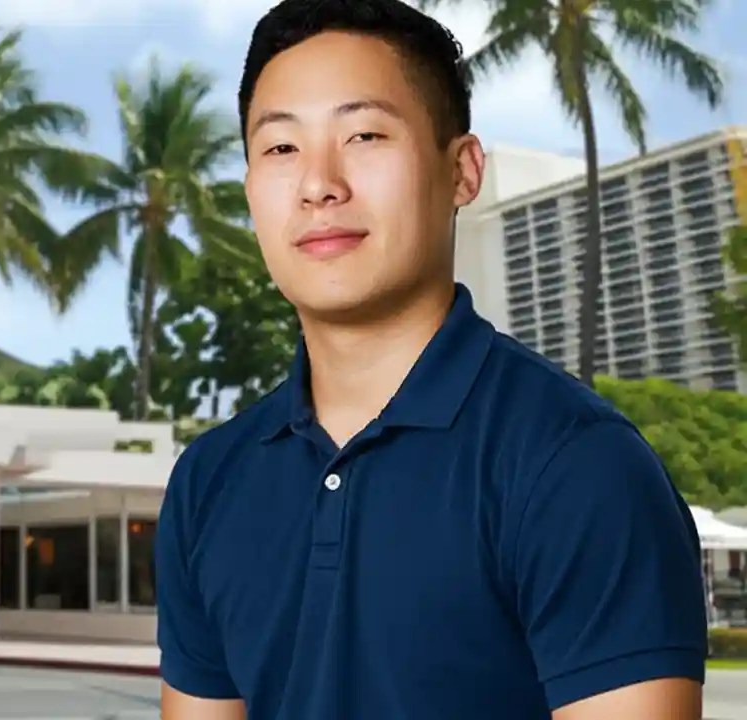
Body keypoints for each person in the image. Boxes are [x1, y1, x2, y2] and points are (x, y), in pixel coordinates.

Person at [153, 1, 709, 718]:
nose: (319, 184)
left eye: (364, 134)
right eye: (282, 148)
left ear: (462, 171)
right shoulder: (208, 482)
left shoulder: (577, 466)